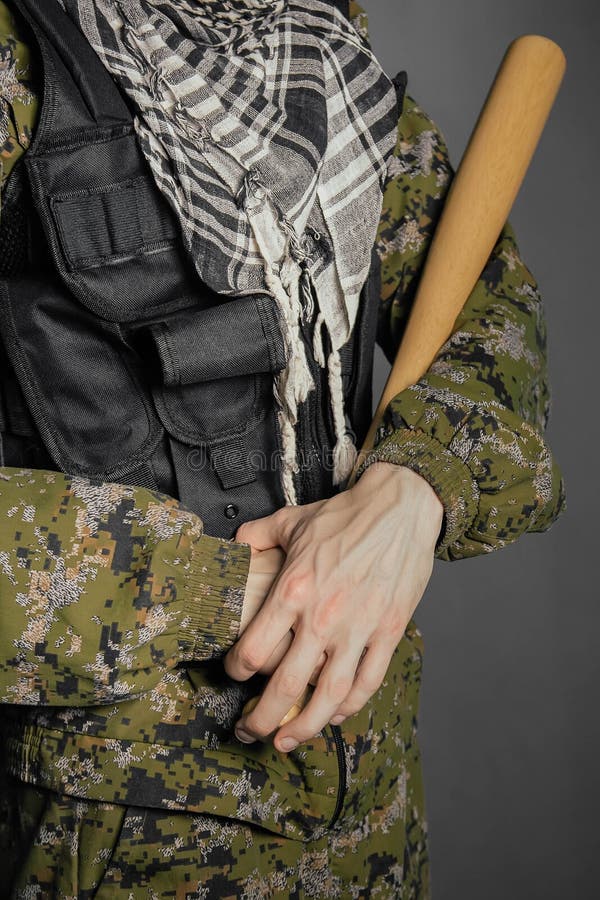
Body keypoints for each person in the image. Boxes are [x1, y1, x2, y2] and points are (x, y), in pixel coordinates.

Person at [0, 0, 565, 896]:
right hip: (110, 831)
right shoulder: (16, 67)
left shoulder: (316, 58)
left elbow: (488, 315)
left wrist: (409, 491)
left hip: (366, 807)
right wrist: (225, 589)